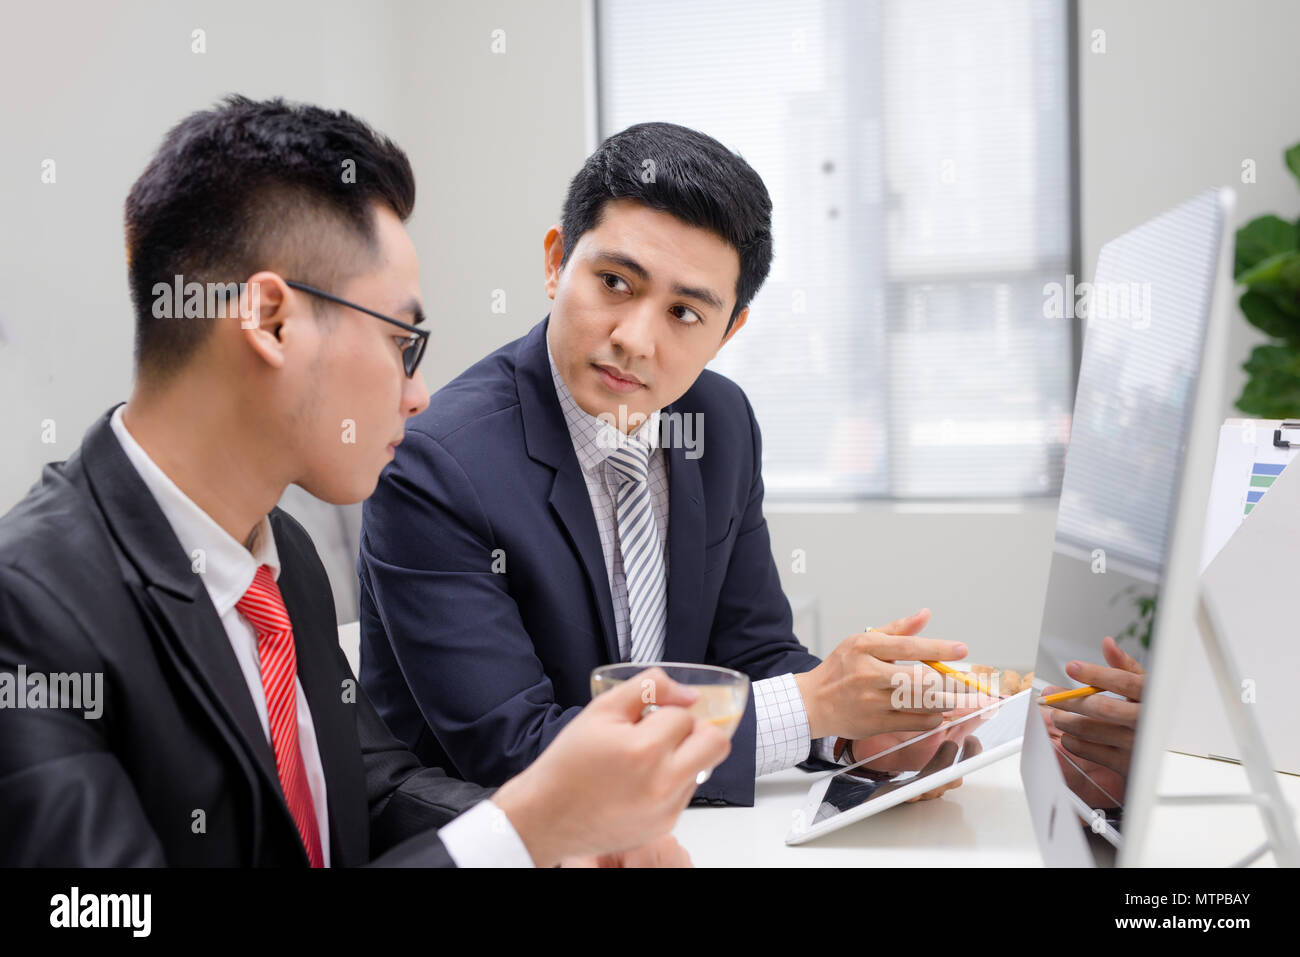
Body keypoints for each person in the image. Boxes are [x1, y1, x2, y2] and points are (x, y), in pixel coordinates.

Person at [0, 96, 730, 867]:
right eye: (398, 340)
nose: (417, 395)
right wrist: (524, 830)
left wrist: (573, 833)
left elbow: (371, 793)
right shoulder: (28, 609)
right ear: (271, 322)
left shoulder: (280, 553)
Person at [358, 122, 969, 806]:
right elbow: (517, 749)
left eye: (684, 312)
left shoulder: (720, 422)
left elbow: (755, 655)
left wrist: (857, 737)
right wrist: (813, 706)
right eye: (615, 282)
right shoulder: (435, 467)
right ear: (557, 261)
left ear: (728, 330)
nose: (635, 339)